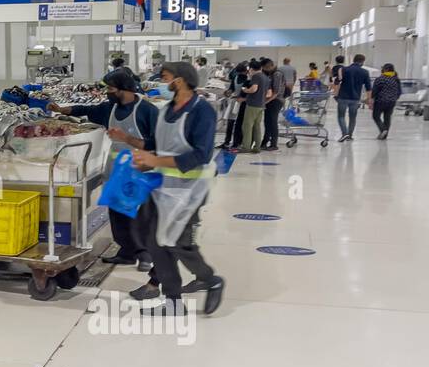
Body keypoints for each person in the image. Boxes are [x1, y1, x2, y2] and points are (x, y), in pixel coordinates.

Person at [128, 61, 225, 316]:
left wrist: (155, 161)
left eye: (165, 77)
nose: (162, 82)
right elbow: (156, 143)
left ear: (179, 81)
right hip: (162, 187)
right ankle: (173, 302)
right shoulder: (165, 110)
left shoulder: (202, 111)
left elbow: (201, 155)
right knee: (156, 243)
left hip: (190, 190)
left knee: (179, 243)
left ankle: (210, 279)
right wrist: (130, 143)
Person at [51, 70, 158, 272]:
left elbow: (160, 140)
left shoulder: (147, 111)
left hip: (140, 168)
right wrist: (63, 110)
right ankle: (126, 252)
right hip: (117, 168)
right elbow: (86, 109)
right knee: (117, 212)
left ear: (124, 89)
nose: (107, 92)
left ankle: (145, 254)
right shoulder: (110, 108)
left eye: (110, 88)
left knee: (139, 213)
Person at [335, 53, 373, 141]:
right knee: (352, 118)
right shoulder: (365, 72)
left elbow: (337, 82)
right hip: (355, 98)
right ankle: (350, 135)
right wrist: (369, 99)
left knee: (341, 116)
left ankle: (344, 133)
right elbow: (368, 88)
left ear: (353, 60)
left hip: (343, 97)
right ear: (362, 61)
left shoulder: (344, 69)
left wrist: (336, 94)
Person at [238, 61, 267, 153]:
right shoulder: (265, 77)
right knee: (257, 127)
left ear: (251, 69)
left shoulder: (256, 76)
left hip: (253, 105)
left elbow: (254, 89)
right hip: (261, 104)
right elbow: (269, 93)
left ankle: (246, 147)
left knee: (247, 126)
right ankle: (257, 147)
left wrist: (245, 90)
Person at [370, 61, 402, 140]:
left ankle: (383, 130)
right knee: (387, 118)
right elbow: (399, 91)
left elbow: (374, 91)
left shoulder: (380, 79)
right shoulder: (396, 79)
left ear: (386, 69)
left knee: (376, 116)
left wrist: (372, 98)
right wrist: (394, 98)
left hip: (380, 101)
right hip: (391, 102)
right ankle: (385, 135)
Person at [260, 58, 285, 151]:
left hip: (276, 101)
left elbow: (276, 92)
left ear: (270, 66)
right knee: (267, 122)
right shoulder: (270, 73)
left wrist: (266, 101)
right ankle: (264, 142)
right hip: (270, 101)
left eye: (265, 68)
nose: (264, 70)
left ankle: (274, 144)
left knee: (273, 122)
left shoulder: (277, 74)